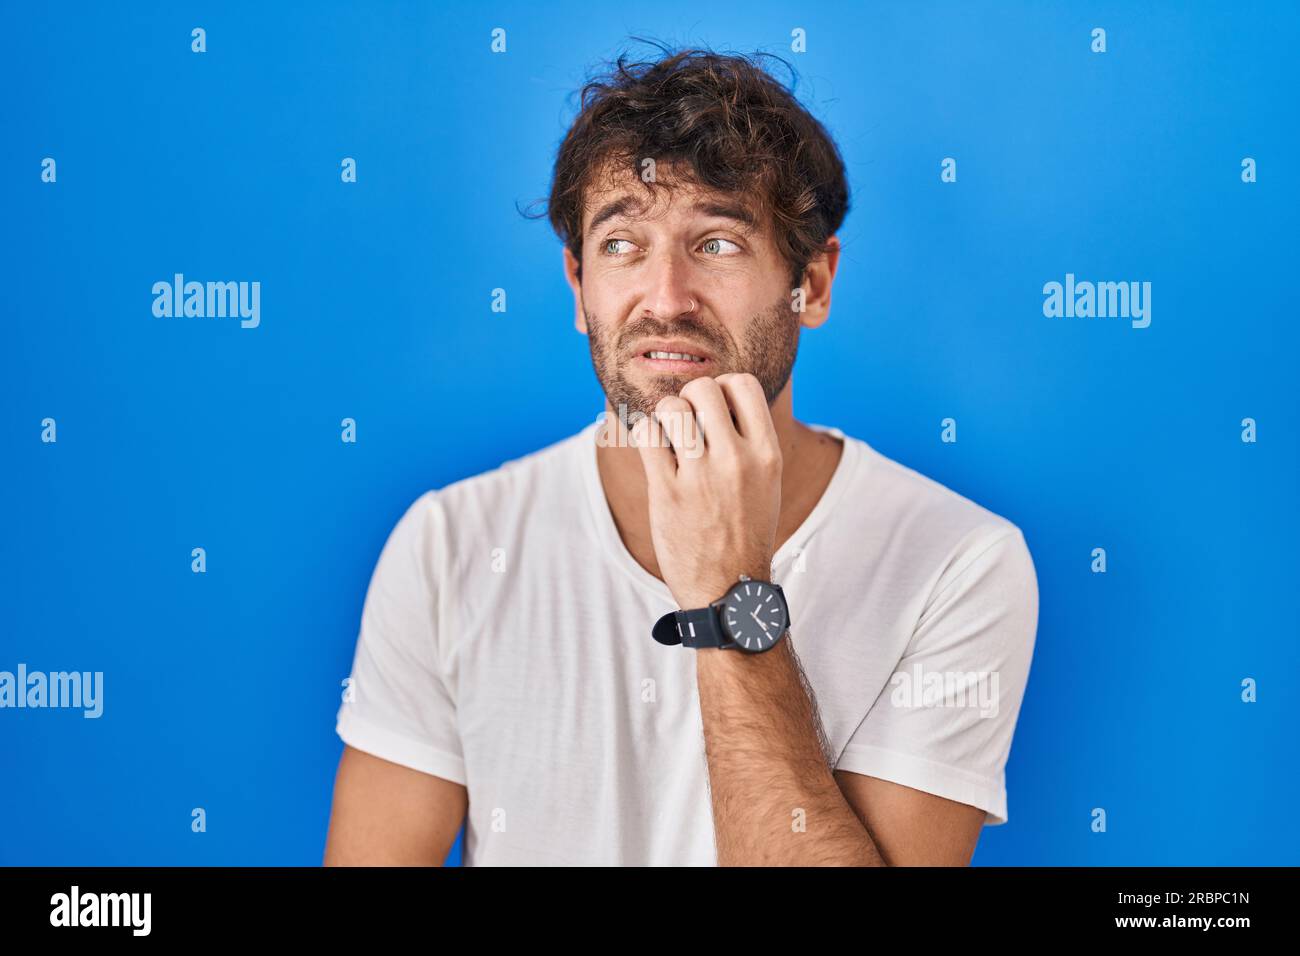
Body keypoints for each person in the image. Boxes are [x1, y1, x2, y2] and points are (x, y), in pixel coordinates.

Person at [324, 46, 1038, 866]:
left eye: (718, 243)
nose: (666, 299)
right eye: (622, 244)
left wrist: (730, 594)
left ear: (812, 284)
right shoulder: (449, 545)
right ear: (578, 287)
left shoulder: (958, 563)